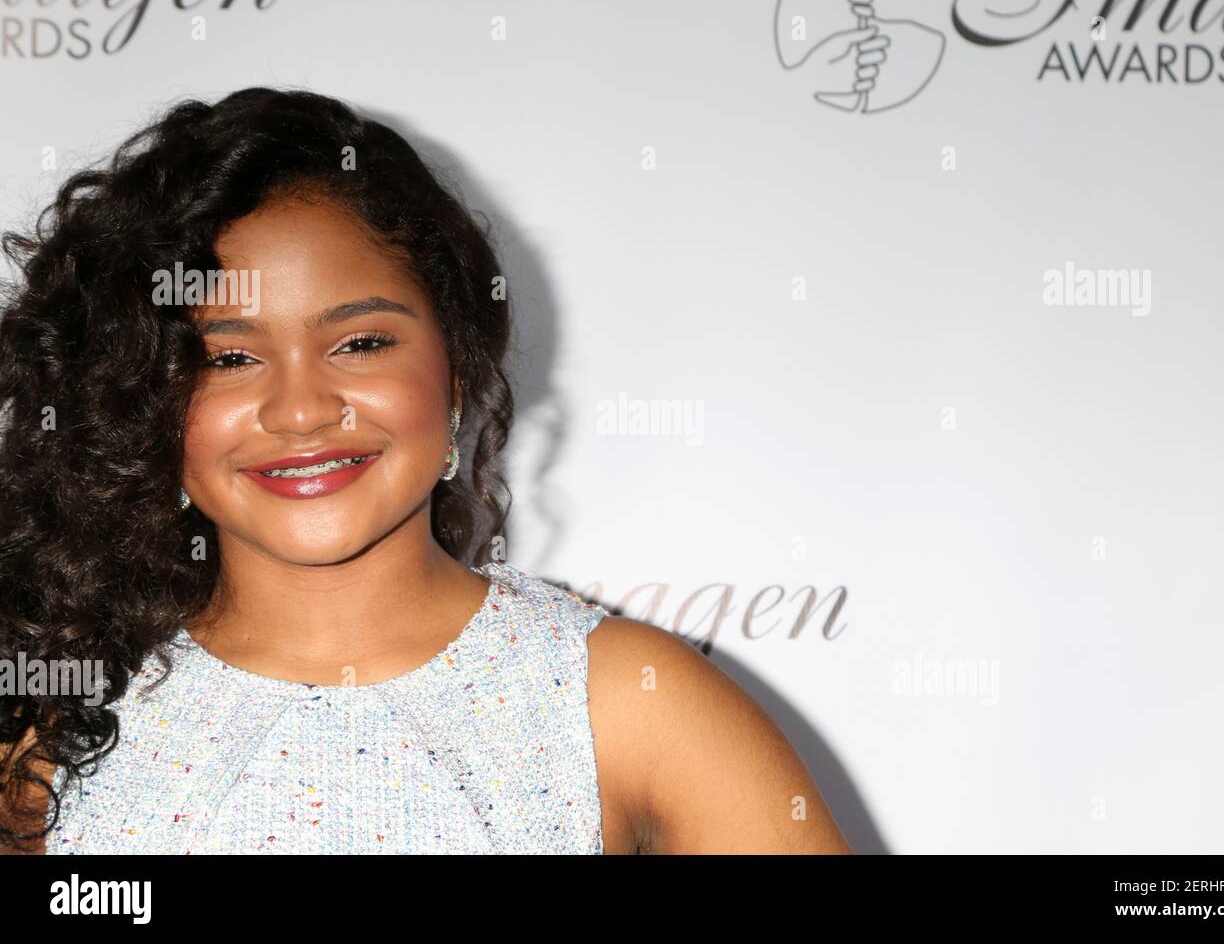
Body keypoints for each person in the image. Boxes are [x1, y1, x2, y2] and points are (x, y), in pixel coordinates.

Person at [0, 87, 852, 855]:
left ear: (455, 370)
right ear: (138, 400)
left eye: (361, 343)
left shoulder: (622, 699)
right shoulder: (59, 721)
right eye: (227, 358)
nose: (300, 409)